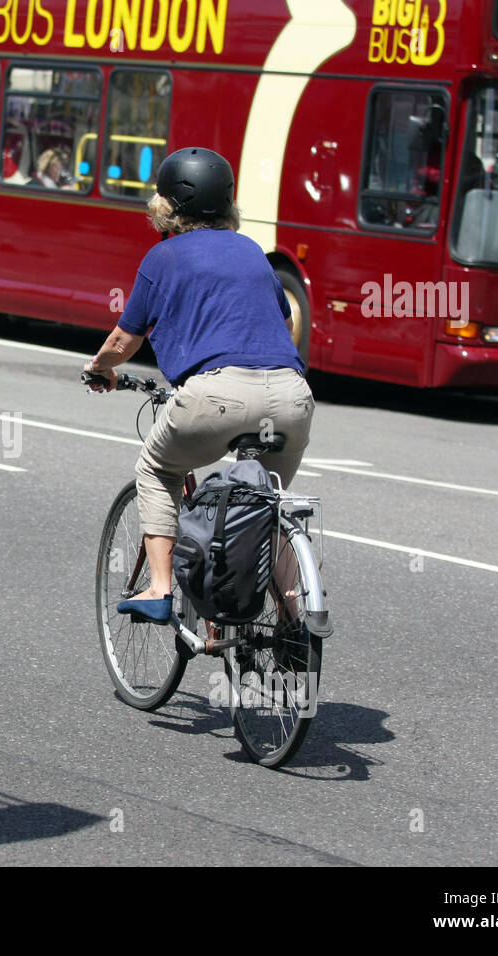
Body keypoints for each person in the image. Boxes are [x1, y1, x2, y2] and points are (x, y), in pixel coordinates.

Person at [83, 147, 314, 624]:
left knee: (156, 470)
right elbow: (283, 317)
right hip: (292, 395)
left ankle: (160, 588)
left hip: (216, 397)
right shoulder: (251, 250)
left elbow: (124, 338)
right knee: (265, 508)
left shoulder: (163, 257)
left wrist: (101, 368)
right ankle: (296, 621)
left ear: (168, 205)